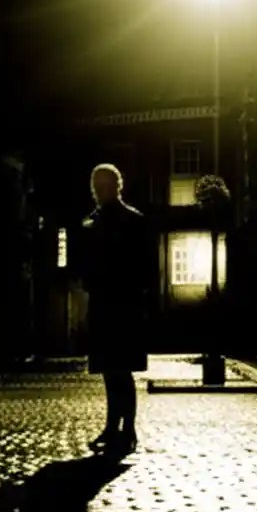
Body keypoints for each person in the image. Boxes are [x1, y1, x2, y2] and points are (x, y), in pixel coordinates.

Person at [78, 163, 152, 456]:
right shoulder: (93, 221)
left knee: (121, 370)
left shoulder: (133, 221)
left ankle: (128, 429)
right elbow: (87, 260)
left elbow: (144, 266)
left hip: (124, 303)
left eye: (105, 187)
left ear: (117, 186)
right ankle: (113, 427)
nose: (100, 192)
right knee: (111, 370)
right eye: (97, 187)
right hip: (104, 302)